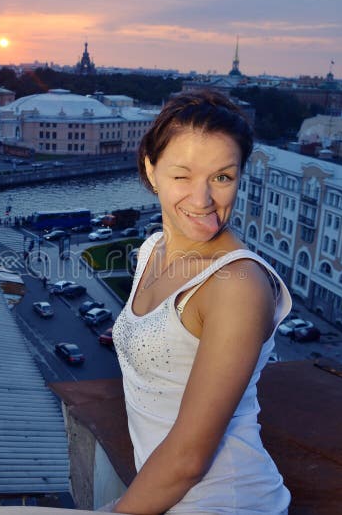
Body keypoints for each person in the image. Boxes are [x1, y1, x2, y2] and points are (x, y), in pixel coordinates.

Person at [109, 90, 291, 514]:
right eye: (182, 176)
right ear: (150, 170)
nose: (203, 198)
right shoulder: (151, 250)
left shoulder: (236, 284)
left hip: (224, 505)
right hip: (160, 499)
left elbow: (189, 460)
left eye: (222, 177)